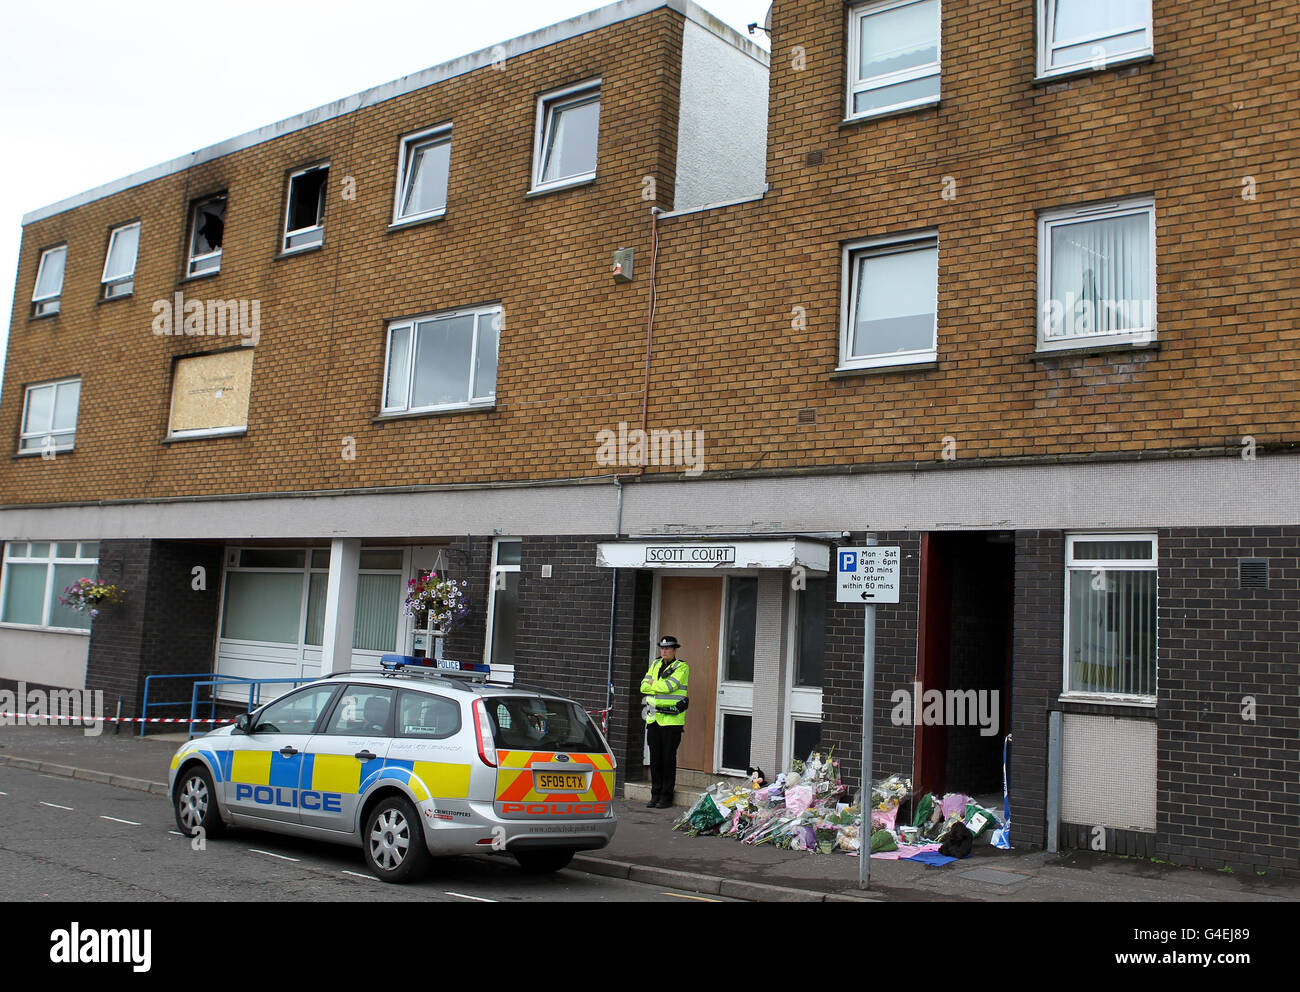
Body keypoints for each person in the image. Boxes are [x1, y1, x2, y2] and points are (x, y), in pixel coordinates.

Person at [640, 635, 689, 809]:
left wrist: (654, 684)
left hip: (672, 720)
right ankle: (655, 795)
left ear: (675, 650)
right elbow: (643, 686)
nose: (664, 651)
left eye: (668, 648)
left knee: (668, 759)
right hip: (654, 718)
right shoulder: (655, 664)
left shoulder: (682, 667)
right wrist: (656, 684)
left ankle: (666, 797)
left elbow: (669, 687)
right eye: (662, 648)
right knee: (655, 759)